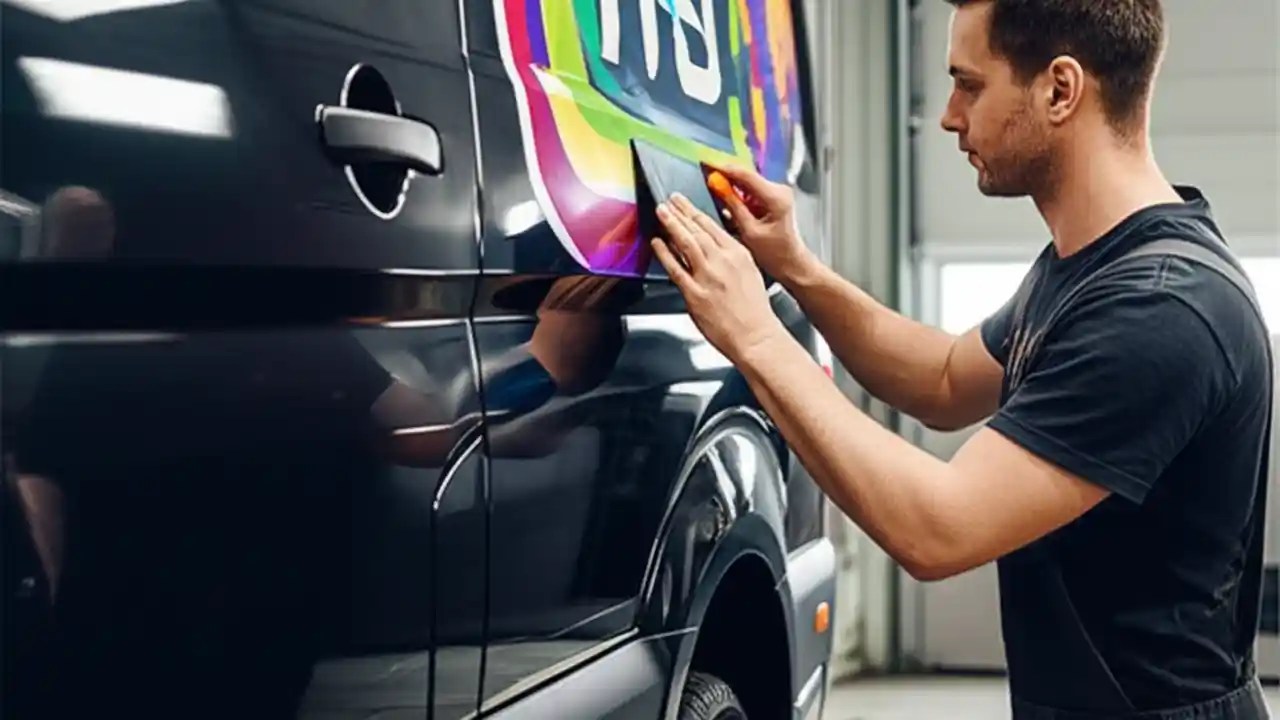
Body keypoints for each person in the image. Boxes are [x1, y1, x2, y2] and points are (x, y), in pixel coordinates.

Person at [647, 0, 1275, 718]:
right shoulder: (1086, 269)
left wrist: (755, 336)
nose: (947, 115)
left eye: (969, 84)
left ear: (1060, 90)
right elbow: (945, 379)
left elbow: (937, 528)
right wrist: (797, 269)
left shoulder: (1161, 309)